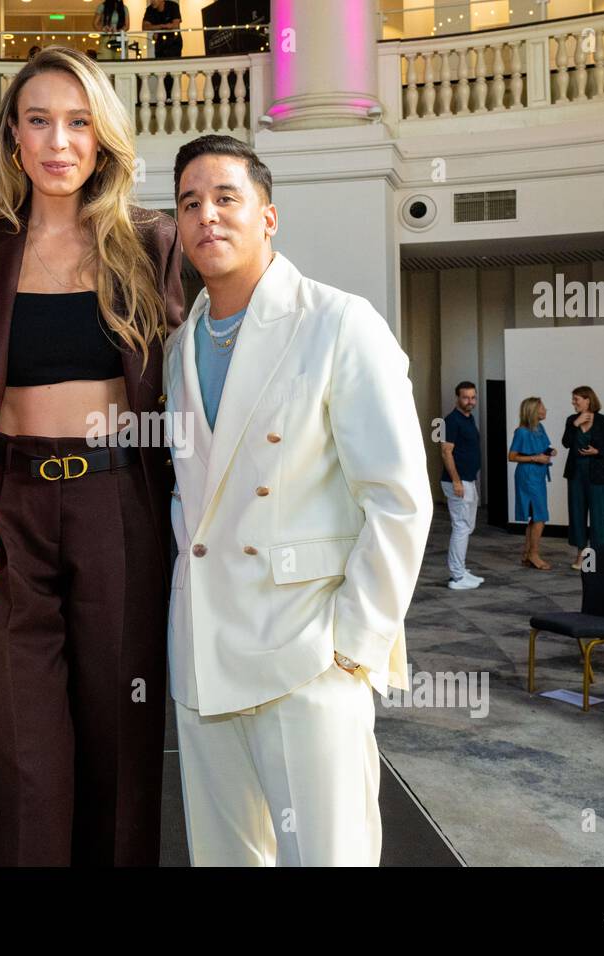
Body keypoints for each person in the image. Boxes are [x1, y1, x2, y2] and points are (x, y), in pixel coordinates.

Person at [0, 47, 184, 867]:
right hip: (7, 502)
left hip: (117, 501)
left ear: (103, 138)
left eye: (79, 122)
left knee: (120, 723)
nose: (59, 141)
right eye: (39, 120)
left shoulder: (152, 241)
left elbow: (222, 342)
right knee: (19, 738)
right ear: (13, 136)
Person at [164, 134, 432, 866]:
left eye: (225, 198)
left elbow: (401, 497)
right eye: (190, 203)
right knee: (224, 857)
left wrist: (353, 646)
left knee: (327, 856)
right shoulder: (177, 346)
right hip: (203, 650)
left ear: (268, 215)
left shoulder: (339, 322)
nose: (206, 217)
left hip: (307, 649)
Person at [562, 385, 604, 568]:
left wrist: (597, 451)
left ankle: (596, 559)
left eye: (576, 399)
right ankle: (581, 557)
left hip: (598, 476)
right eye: (573, 399)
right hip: (576, 475)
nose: (573, 402)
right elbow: (566, 443)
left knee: (599, 517)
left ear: (587, 399)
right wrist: (575, 425)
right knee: (577, 515)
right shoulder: (571, 420)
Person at [440, 381, 484, 590]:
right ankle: (456, 576)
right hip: (457, 482)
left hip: (468, 479)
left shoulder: (469, 418)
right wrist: (457, 481)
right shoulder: (451, 421)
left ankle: (461, 569)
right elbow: (446, 452)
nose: (470, 401)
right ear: (457, 398)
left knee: (467, 527)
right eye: (466, 397)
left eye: (473, 397)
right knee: (461, 527)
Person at [509, 396, 555, 571]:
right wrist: (535, 457)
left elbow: (544, 447)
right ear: (533, 411)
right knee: (540, 516)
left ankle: (527, 553)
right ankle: (534, 554)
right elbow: (512, 456)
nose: (545, 411)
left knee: (535, 516)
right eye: (542, 408)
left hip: (538, 475)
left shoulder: (540, 428)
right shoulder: (521, 432)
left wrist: (549, 452)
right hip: (528, 476)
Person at [143, 0, 182, 102]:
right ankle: (165, 97)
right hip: (160, 43)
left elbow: (175, 25)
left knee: (174, 69)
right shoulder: (150, 9)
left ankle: (173, 97)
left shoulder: (173, 6)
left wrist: (156, 28)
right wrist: (162, 26)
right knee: (161, 70)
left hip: (174, 42)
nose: (152, 2)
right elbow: (145, 27)